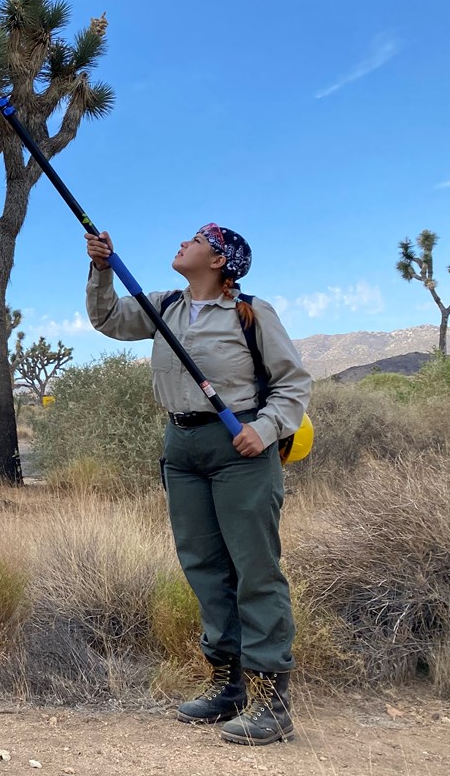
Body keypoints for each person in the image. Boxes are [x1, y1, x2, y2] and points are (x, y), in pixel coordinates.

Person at [84, 224, 312, 746]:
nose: (184, 242)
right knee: (204, 568)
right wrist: (100, 268)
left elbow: (293, 382)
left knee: (255, 569)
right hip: (181, 448)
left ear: (218, 260)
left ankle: (272, 702)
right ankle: (228, 686)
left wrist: (265, 429)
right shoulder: (164, 306)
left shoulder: (250, 313)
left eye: (198, 240)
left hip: (240, 447)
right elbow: (107, 318)